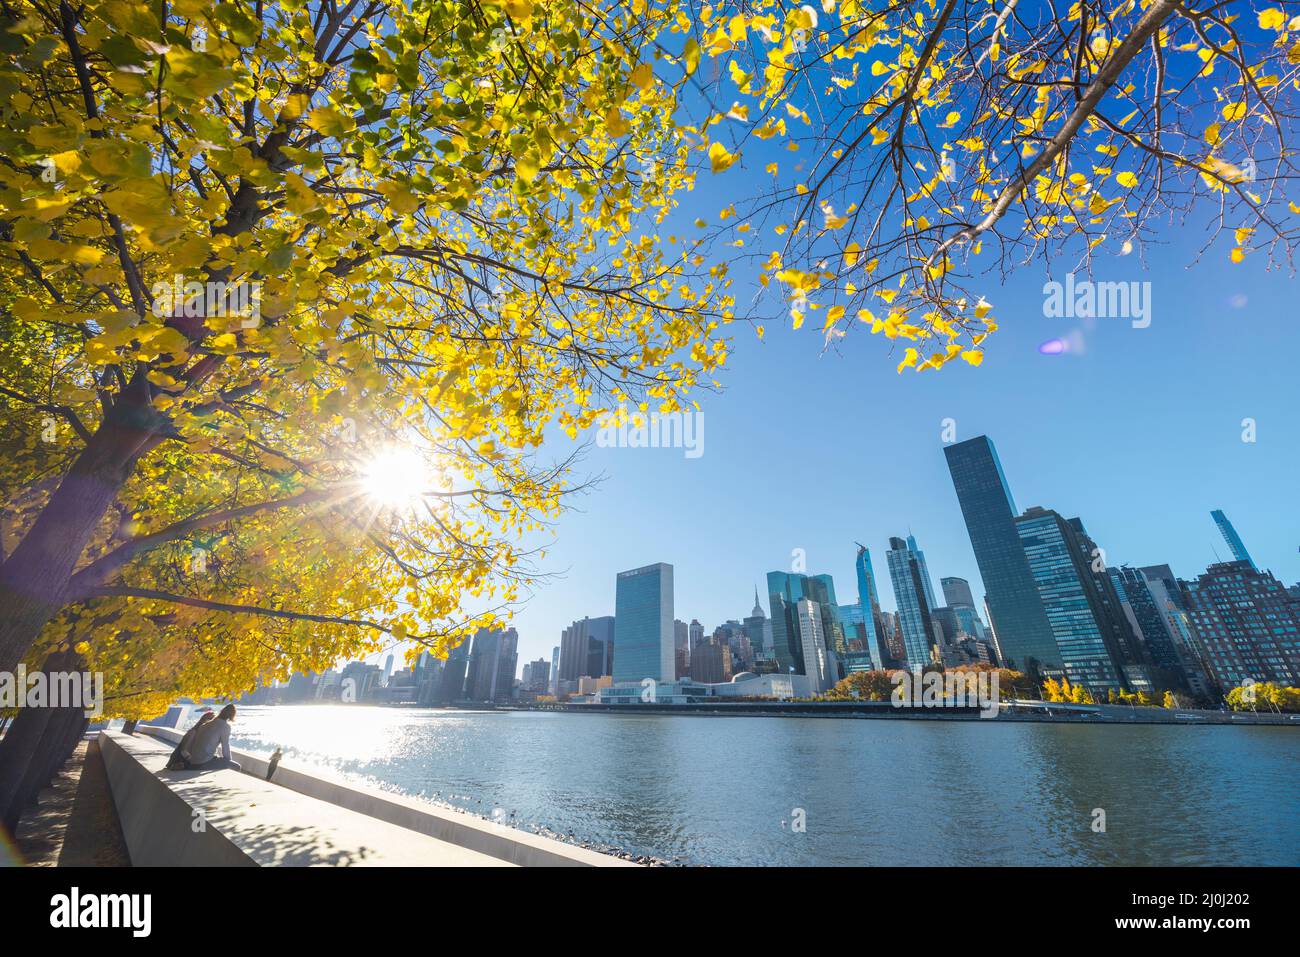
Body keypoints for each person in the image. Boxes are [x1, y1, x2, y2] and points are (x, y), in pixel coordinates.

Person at [184, 704, 241, 771]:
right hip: (203, 763)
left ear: (221, 711)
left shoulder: (205, 725)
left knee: (218, 759)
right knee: (237, 766)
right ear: (232, 715)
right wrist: (227, 762)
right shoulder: (225, 726)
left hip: (193, 761)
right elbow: (225, 748)